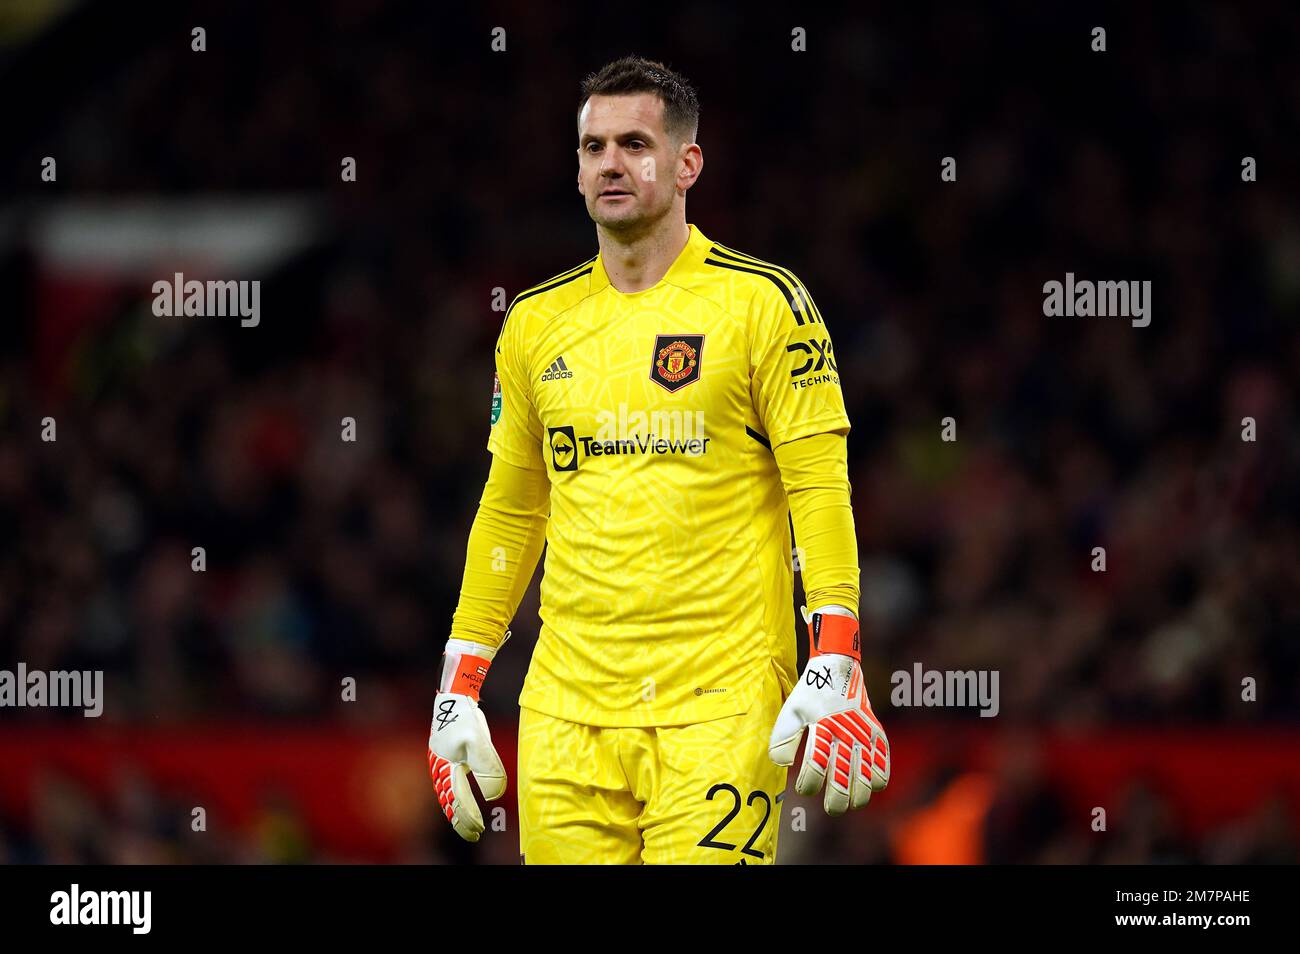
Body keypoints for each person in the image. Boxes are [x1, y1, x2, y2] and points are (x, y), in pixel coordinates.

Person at [427, 55, 889, 865]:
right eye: (593, 146)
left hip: (722, 702)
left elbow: (819, 488)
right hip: (567, 710)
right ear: (575, 169)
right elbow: (510, 510)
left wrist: (836, 653)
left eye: (635, 144)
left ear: (686, 164)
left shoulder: (764, 305)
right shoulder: (535, 324)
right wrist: (458, 682)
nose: (611, 162)